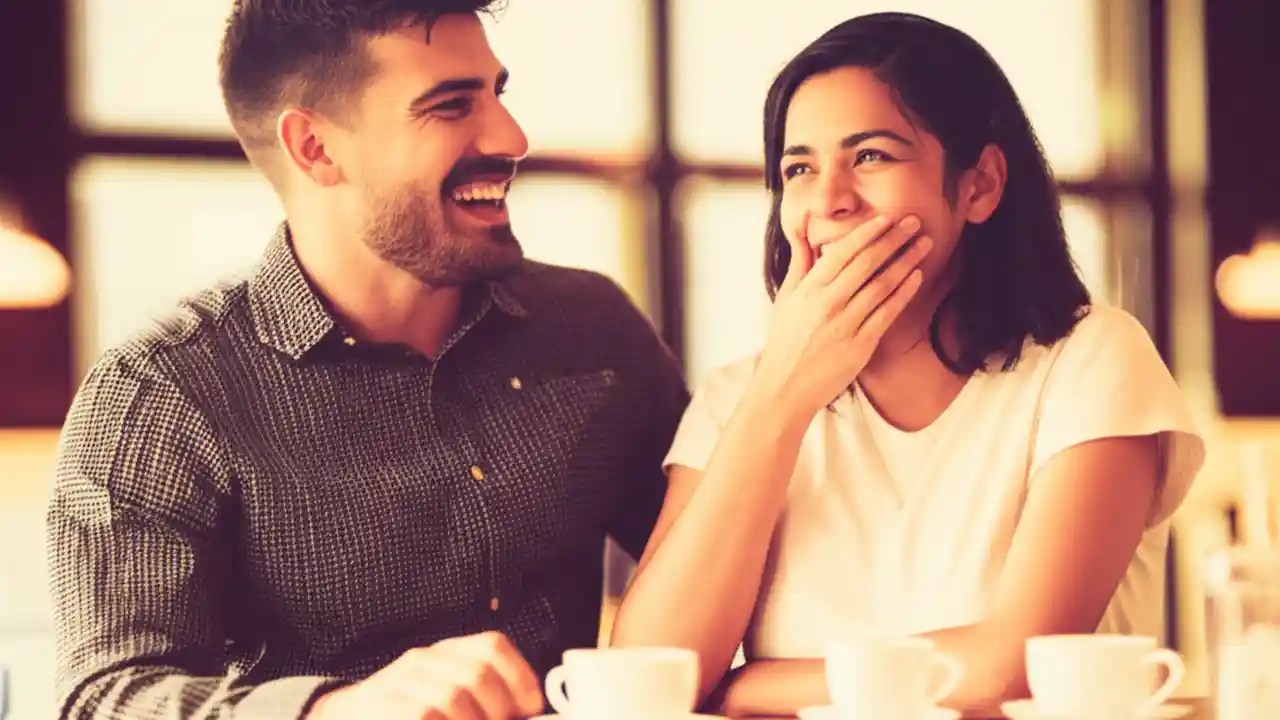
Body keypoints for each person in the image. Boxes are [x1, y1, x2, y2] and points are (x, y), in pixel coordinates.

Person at [46, 2, 688, 719]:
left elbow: (735, 573)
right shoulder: (164, 392)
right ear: (316, 149)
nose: (512, 137)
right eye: (449, 107)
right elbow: (106, 698)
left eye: (496, 93)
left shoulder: (593, 329)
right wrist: (337, 711)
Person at [609, 11, 1205, 718]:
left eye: (871, 157)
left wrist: (735, 688)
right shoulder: (738, 397)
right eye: (799, 169)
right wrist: (781, 398)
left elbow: (1015, 667)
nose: (829, 198)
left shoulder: (1094, 362)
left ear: (979, 185)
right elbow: (644, 683)